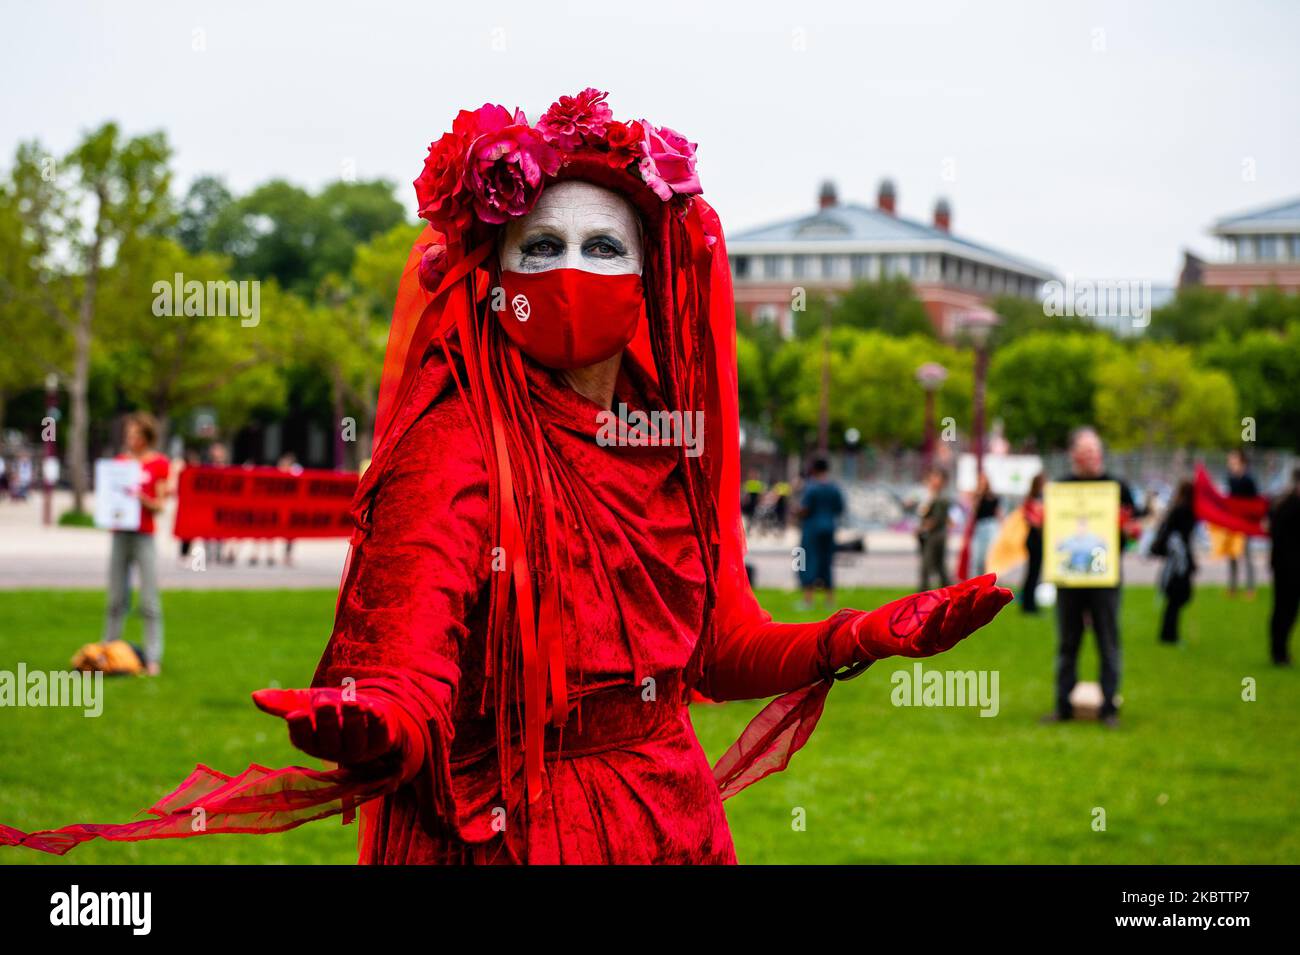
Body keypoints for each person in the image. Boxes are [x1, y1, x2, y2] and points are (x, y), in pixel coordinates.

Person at [4, 89, 1013, 861]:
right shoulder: (454, 437)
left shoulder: (666, 439)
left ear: (648, 273)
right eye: (541, 246)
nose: (571, 268)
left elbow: (714, 647)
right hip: (518, 830)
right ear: (495, 277)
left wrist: (864, 632)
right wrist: (383, 710)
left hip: (672, 815)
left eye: (603, 244)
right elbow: (411, 632)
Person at [1044, 426, 1137, 728]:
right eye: (1085, 452)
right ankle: (1063, 705)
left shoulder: (1116, 487)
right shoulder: (1060, 488)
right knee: (1067, 643)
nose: (1092, 457)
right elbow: (1049, 537)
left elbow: (1131, 533)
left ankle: (1109, 707)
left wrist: (1129, 531)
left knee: (1108, 641)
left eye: (1095, 451)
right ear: (1074, 455)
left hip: (1104, 580)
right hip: (1069, 580)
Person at [101, 412, 169, 677]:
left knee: (149, 600)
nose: (131, 439)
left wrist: (142, 498)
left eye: (135, 434)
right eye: (128, 434)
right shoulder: (119, 463)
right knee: (116, 597)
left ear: (146, 437)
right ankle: (107, 651)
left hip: (144, 535)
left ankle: (153, 657)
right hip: (121, 534)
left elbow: (160, 505)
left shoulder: (159, 464)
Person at [1150, 479, 1197, 645]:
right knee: (1176, 599)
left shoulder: (1176, 509)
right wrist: (1185, 563)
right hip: (1178, 560)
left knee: (1173, 600)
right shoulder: (1185, 511)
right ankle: (1169, 635)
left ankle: (1168, 633)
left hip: (1174, 559)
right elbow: (1178, 539)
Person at [797, 456, 844, 610]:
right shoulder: (834, 487)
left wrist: (796, 511)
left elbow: (804, 509)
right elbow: (840, 508)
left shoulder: (811, 487)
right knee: (827, 562)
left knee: (808, 561)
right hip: (829, 527)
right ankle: (829, 600)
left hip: (812, 528)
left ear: (814, 469)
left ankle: (808, 600)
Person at [1212, 449, 1258, 598]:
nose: (1231, 464)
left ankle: (1250, 588)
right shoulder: (1230, 479)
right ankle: (1232, 587)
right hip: (1232, 522)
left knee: (1246, 554)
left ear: (1242, 463)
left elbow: (1254, 502)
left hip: (1245, 522)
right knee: (1232, 554)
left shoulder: (1249, 480)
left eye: (1234, 461)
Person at [1268, 467, 1300, 666]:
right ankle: (1279, 652)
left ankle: (1279, 650)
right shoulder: (1290, 506)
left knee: (1284, 609)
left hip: (1285, 566)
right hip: (1288, 568)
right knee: (1285, 609)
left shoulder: (1283, 504)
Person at [917, 466, 952, 590]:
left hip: (936, 535)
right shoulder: (929, 495)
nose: (933, 480)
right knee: (937, 566)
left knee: (930, 566)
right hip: (930, 535)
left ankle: (923, 594)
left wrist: (923, 528)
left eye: (936, 478)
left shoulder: (941, 498)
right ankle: (948, 590)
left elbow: (936, 519)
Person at [1021, 473, 1045, 614]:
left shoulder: (1037, 499)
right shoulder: (1033, 500)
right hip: (1034, 539)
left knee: (1034, 573)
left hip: (1037, 539)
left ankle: (1029, 602)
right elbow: (1031, 520)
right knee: (1032, 572)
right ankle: (1028, 604)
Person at [970, 471, 1001, 577]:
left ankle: (989, 583)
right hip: (980, 526)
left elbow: (998, 513)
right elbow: (974, 511)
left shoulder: (994, 497)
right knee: (977, 558)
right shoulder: (977, 496)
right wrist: (979, 494)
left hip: (991, 526)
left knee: (989, 557)